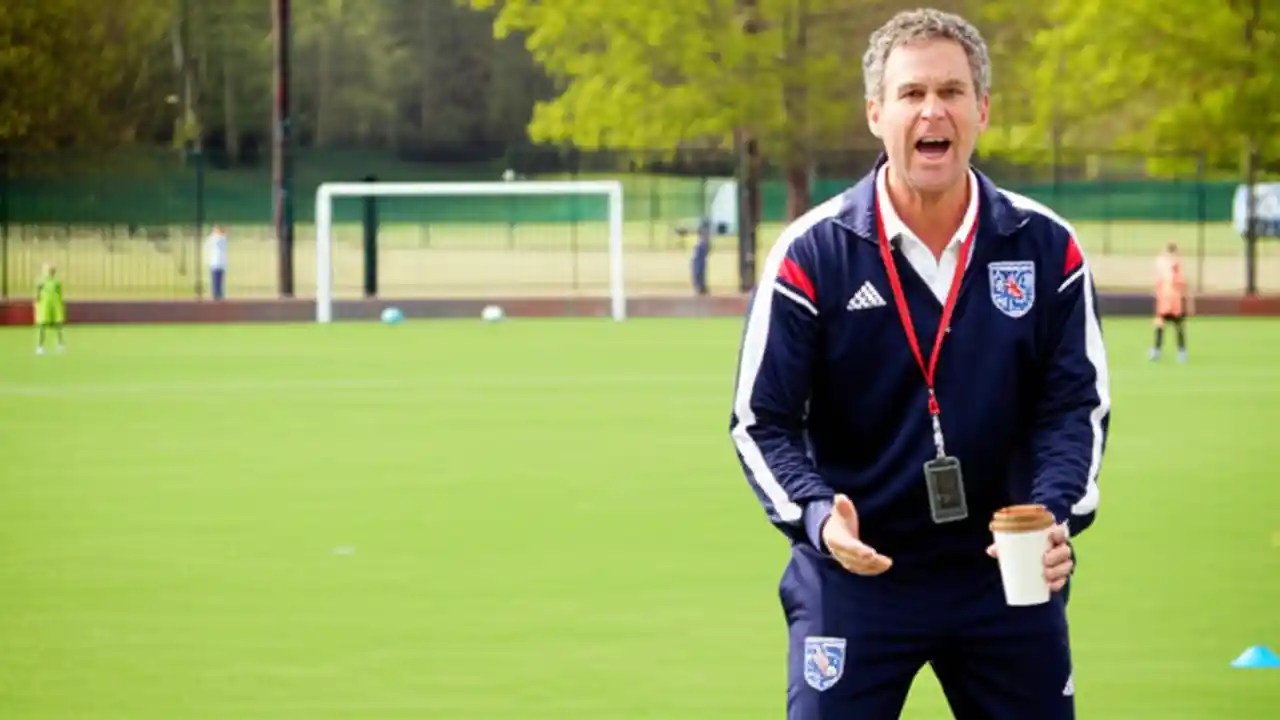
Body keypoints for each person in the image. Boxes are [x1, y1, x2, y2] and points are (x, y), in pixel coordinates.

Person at [728, 9, 1111, 719]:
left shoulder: (1047, 248)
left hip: (1006, 571)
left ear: (982, 109)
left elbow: (1074, 410)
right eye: (910, 94)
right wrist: (817, 517)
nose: (932, 110)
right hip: (856, 571)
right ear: (876, 113)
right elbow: (762, 422)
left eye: (952, 91)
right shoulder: (811, 255)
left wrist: (1055, 515)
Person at [1150, 242, 1188, 362]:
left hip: (1172, 303)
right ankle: (1158, 351)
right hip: (1167, 302)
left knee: (1175, 327)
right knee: (1162, 327)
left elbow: (1179, 283)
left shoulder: (1173, 266)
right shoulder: (1169, 266)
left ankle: (1180, 352)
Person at [33, 263, 66, 355]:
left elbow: (60, 293)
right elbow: (37, 293)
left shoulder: (57, 281)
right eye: (49, 270)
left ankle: (60, 345)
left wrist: (60, 303)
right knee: (42, 325)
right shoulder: (41, 281)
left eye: (53, 270)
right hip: (45, 305)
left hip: (55, 305)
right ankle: (40, 347)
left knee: (58, 324)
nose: (51, 271)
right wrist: (37, 302)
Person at [204, 225, 228, 300]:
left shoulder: (222, 238)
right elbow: (207, 248)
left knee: (220, 282)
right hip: (215, 264)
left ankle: (220, 295)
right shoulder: (213, 238)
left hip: (222, 264)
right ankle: (216, 296)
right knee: (216, 282)